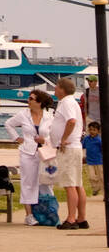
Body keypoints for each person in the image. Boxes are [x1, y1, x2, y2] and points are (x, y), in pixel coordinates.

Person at [7, 90, 54, 224]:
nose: (28, 101)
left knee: (46, 181)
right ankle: (29, 215)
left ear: (39, 102)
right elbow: (8, 124)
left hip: (45, 152)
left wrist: (45, 140)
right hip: (27, 152)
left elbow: (54, 134)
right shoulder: (23, 115)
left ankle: (49, 211)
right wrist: (17, 138)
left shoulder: (49, 116)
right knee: (28, 183)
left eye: (31, 99)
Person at [51, 78, 87, 229]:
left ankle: (71, 218)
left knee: (70, 184)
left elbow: (71, 121)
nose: (54, 90)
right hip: (75, 147)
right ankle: (81, 218)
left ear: (62, 89)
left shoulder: (66, 102)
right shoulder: (72, 102)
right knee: (77, 183)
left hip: (68, 147)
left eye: (56, 87)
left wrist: (63, 138)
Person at [84, 122, 103, 198]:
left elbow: (102, 150)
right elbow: (82, 146)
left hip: (99, 161)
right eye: (90, 130)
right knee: (91, 176)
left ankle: (105, 194)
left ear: (98, 131)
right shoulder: (86, 139)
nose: (92, 131)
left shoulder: (99, 140)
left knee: (101, 177)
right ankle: (95, 188)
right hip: (90, 161)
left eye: (94, 130)